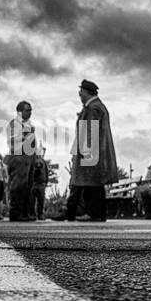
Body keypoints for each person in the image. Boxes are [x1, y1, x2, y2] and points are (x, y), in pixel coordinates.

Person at [60, 79, 119, 221]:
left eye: (81, 92)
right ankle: (94, 214)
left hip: (91, 151)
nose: (79, 95)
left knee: (91, 183)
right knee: (92, 183)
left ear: (87, 93)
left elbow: (90, 132)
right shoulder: (96, 106)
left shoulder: (93, 108)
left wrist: (84, 152)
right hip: (95, 151)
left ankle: (93, 214)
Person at [5, 101, 41, 221]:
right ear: (20, 111)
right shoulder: (15, 124)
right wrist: (27, 133)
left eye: (31, 110)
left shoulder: (27, 124)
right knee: (19, 185)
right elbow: (12, 140)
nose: (30, 112)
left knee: (28, 186)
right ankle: (16, 213)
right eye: (27, 110)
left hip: (29, 158)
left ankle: (26, 213)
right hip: (19, 157)